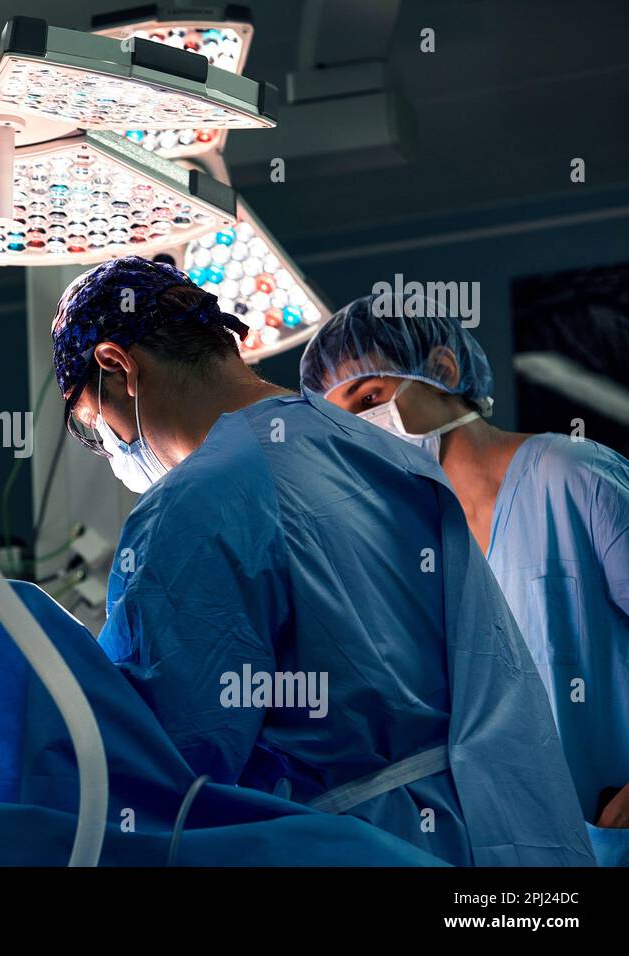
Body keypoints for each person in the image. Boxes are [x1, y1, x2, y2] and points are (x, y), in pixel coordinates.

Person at [52, 256, 593, 866]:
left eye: (97, 429)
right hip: (500, 839)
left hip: (356, 849)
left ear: (117, 366)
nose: (114, 454)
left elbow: (160, 762)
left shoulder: (195, 505)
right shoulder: (388, 452)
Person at [301, 293, 629, 865]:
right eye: (338, 420)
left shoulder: (571, 476)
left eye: (369, 398)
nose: (357, 430)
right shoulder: (414, 549)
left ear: (443, 371)